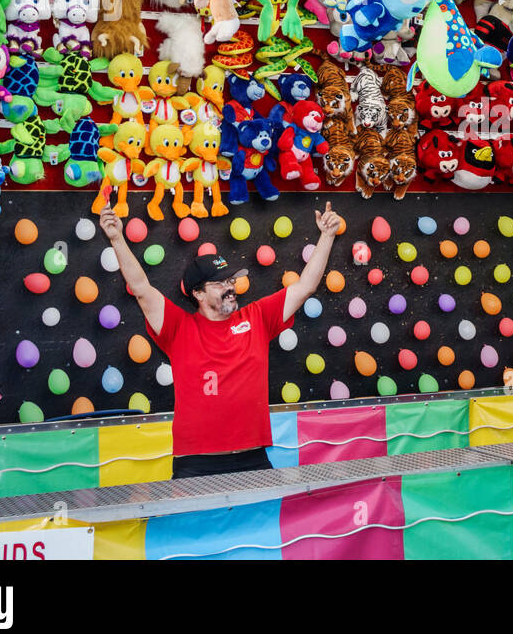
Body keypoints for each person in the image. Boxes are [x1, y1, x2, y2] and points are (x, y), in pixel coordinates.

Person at [97, 201, 344, 480]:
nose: (230, 288)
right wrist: (116, 238)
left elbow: (305, 286)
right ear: (198, 294)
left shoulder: (258, 317)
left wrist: (327, 236)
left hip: (253, 458)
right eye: (220, 283)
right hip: (195, 464)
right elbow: (142, 289)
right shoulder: (178, 328)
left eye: (231, 281)